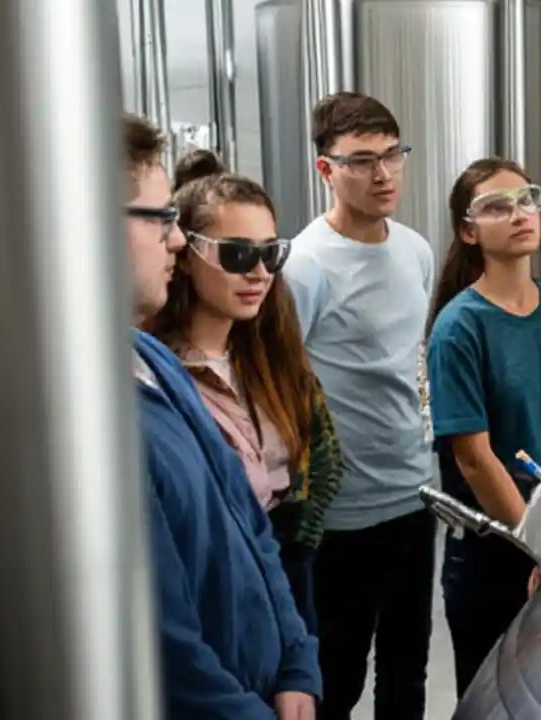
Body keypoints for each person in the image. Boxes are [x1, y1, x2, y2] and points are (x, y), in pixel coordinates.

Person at [122, 114, 321, 720]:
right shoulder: (89, 422)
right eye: (161, 221)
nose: (175, 241)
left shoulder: (148, 359)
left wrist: (295, 662)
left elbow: (250, 526)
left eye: (269, 254)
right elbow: (161, 641)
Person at [426, 158, 541, 696]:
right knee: (495, 699)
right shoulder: (459, 327)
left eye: (527, 199)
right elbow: (474, 458)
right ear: (469, 230)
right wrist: (539, 547)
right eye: (497, 207)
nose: (519, 213)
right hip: (497, 551)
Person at [145, 148, 344, 633]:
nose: (258, 272)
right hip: (213, 585)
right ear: (185, 255)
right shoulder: (157, 371)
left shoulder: (271, 351)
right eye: (237, 254)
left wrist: (299, 542)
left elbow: (324, 456)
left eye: (271, 253)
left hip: (287, 569)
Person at [283, 91, 436, 719]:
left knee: (408, 670)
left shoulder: (416, 250)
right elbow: (282, 387)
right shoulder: (305, 267)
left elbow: (407, 367)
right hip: (343, 515)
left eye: (392, 156)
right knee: (337, 677)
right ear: (326, 169)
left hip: (412, 495)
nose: (383, 174)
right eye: (362, 160)